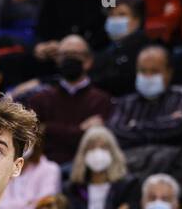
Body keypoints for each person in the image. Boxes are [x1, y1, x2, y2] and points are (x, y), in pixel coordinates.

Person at [19, 34, 112, 166]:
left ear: (88, 61)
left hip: (84, 167)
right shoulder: (40, 99)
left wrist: (48, 128)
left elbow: (94, 142)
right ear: (57, 60)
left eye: (74, 55)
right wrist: (80, 130)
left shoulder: (102, 100)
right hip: (44, 166)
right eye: (64, 55)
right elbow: (34, 138)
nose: (69, 59)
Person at [107, 44, 182, 180]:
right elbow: (115, 132)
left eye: (154, 71)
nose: (148, 77)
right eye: (143, 71)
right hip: (129, 171)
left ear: (169, 72)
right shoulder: (125, 103)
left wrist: (134, 126)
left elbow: (176, 130)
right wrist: (162, 123)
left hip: (169, 172)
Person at [63, 125, 141, 209]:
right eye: (92, 147)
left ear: (113, 152)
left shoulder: (128, 186)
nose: (97, 153)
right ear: (83, 153)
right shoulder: (73, 188)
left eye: (104, 147)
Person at [90, 0, 151, 98]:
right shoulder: (104, 51)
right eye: (111, 15)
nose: (115, 20)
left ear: (137, 20)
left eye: (122, 14)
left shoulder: (147, 50)